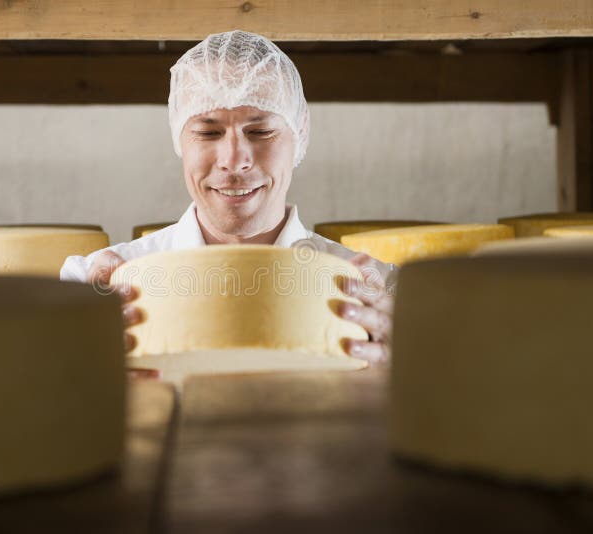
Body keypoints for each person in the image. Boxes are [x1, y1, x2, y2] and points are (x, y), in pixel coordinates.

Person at [61, 30, 395, 363]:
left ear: (300, 133)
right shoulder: (96, 287)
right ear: (180, 139)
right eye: (208, 132)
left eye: (260, 131)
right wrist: (77, 358)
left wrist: (403, 364)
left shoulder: (380, 295)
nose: (234, 161)